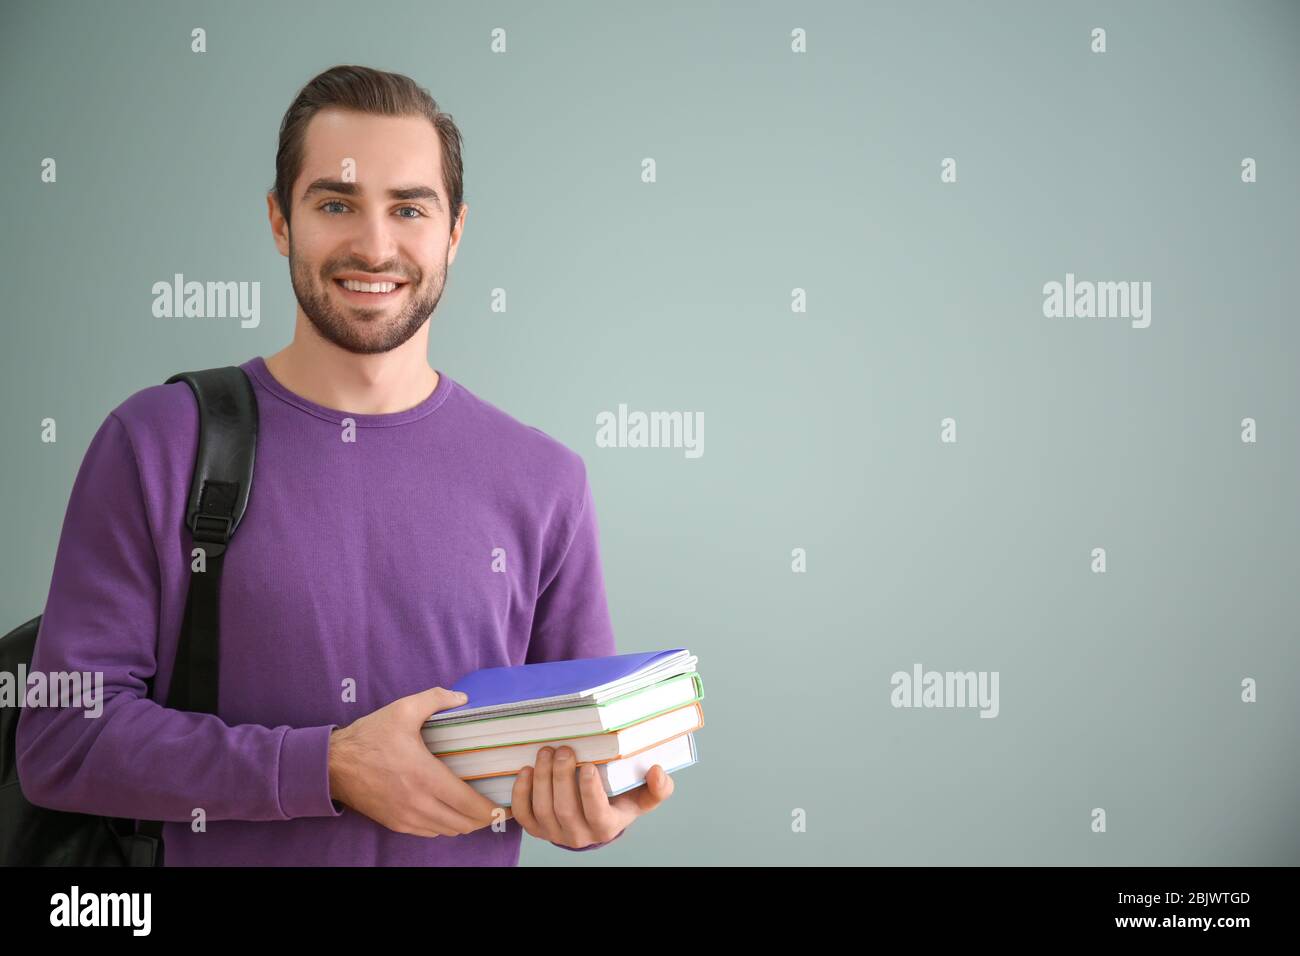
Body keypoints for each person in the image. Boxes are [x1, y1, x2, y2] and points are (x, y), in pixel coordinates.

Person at [15, 64, 674, 865]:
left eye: (408, 208)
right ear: (278, 220)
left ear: (455, 231)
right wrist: (326, 766)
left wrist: (591, 811)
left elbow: (576, 759)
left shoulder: (546, 481)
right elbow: (60, 742)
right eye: (335, 203)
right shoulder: (155, 442)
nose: (373, 244)